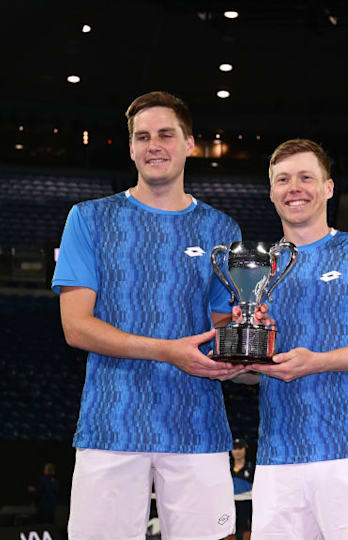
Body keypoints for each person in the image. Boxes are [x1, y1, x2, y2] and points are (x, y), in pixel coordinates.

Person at [52, 91, 243, 540]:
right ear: (131, 147)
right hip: (111, 424)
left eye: (165, 134)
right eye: (142, 136)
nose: (153, 145)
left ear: (190, 143)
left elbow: (220, 327)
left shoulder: (222, 229)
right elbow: (75, 326)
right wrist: (166, 350)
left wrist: (242, 343)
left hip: (197, 426)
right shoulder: (89, 219)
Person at [241, 138, 348, 539]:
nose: (294, 188)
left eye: (306, 177)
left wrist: (319, 361)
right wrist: (244, 362)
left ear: (328, 187)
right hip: (277, 460)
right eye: (283, 179)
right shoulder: (255, 268)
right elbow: (249, 376)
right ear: (271, 192)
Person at [228, 438, 255, 540]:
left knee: (247, 532)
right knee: (229, 532)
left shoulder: (252, 467)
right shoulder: (226, 467)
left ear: (245, 449)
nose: (237, 451)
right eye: (235, 448)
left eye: (240, 448)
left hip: (247, 504)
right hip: (230, 503)